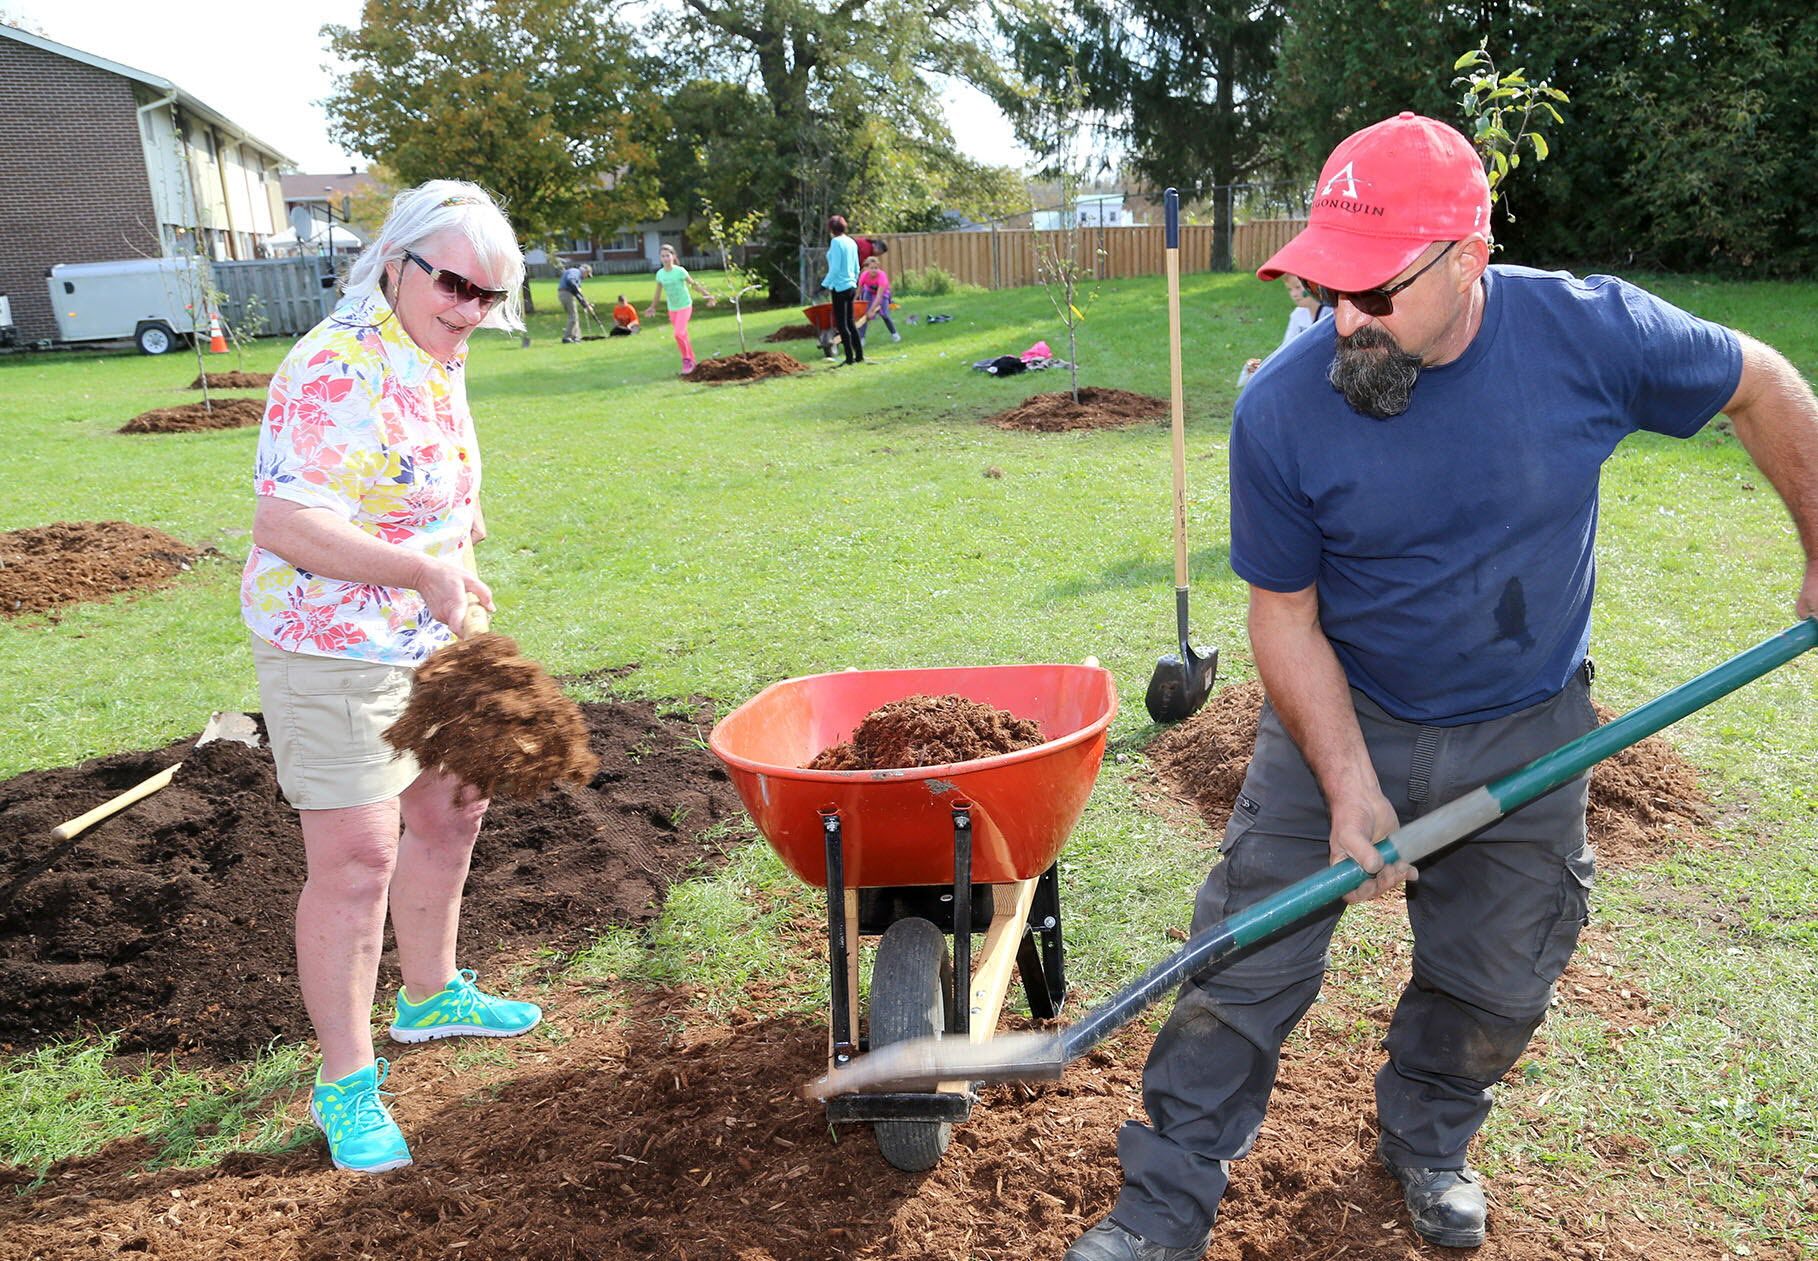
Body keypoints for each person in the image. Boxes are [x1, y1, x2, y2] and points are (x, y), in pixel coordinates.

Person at [1067, 111, 1818, 1261]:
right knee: (1239, 969)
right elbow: (1285, 614)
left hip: (1527, 728)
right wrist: (1349, 780)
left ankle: (1427, 1136)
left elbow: (1762, 382)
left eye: (1373, 295)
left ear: (1469, 259)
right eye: (1325, 290)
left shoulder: (1591, 336)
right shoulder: (1283, 405)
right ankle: (1161, 1205)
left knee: (1500, 981)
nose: (1340, 322)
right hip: (1342, 709)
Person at [242, 179, 546, 1176]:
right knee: (358, 862)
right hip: (332, 642)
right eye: (454, 284)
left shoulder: (436, 352)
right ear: (396, 262)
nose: (469, 310)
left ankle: (430, 996)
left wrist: (458, 536)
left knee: (458, 806)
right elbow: (285, 523)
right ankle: (346, 1083)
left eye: (489, 296)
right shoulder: (335, 365)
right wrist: (421, 567)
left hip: (429, 631)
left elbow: (427, 469)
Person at [1236, 274, 1325, 389]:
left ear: (1314, 286)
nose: (1293, 294)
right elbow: (1285, 349)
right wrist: (1263, 367)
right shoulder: (1297, 315)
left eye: (1298, 287)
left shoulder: (1329, 314)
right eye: (1290, 289)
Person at [645, 242, 715, 374]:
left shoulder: (680, 271)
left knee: (678, 334)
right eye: (663, 256)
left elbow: (693, 285)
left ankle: (687, 360)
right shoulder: (660, 274)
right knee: (683, 336)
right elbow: (658, 293)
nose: (665, 259)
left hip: (685, 306)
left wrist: (708, 296)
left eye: (668, 255)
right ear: (660, 258)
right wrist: (652, 307)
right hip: (673, 309)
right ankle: (692, 362)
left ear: (673, 256)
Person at [822, 214, 862, 365]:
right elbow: (857, 266)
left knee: (841, 324)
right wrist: (854, 280)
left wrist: (824, 285)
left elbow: (835, 268)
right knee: (850, 322)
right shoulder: (851, 242)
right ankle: (859, 355)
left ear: (831, 229)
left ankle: (849, 358)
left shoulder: (836, 242)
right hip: (851, 285)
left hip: (839, 287)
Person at [857, 253, 900, 344]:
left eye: (876, 268)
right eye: (871, 268)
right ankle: (861, 339)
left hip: (882, 294)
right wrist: (853, 303)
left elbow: (879, 296)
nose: (874, 270)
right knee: (865, 316)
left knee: (884, 314)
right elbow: (859, 291)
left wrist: (871, 310)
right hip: (869, 292)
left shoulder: (882, 276)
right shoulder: (864, 275)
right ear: (867, 268)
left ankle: (895, 334)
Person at [557, 261, 594, 343]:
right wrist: (578, 288)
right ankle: (567, 337)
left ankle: (576, 337)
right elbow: (571, 282)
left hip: (567, 294)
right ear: (585, 271)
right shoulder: (575, 272)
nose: (586, 278)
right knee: (573, 316)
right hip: (566, 293)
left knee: (574, 316)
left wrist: (585, 304)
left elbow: (577, 294)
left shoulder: (578, 277)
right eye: (587, 275)